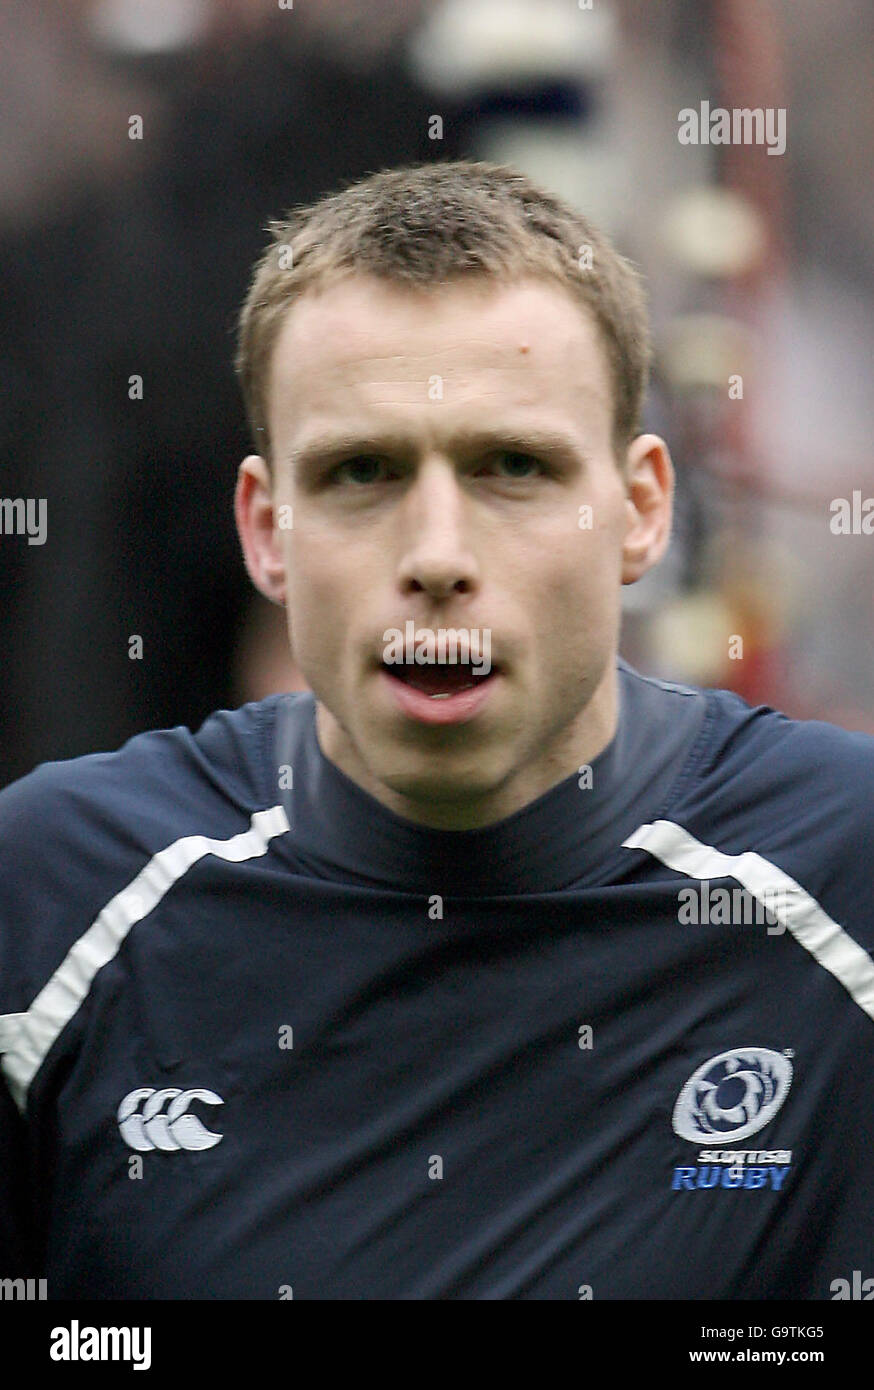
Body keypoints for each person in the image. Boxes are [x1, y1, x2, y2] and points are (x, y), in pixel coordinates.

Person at [1, 161, 872, 1300]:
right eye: (362, 472)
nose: (437, 554)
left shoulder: (844, 876)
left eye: (513, 466)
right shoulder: (54, 895)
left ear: (641, 510)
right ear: (267, 531)